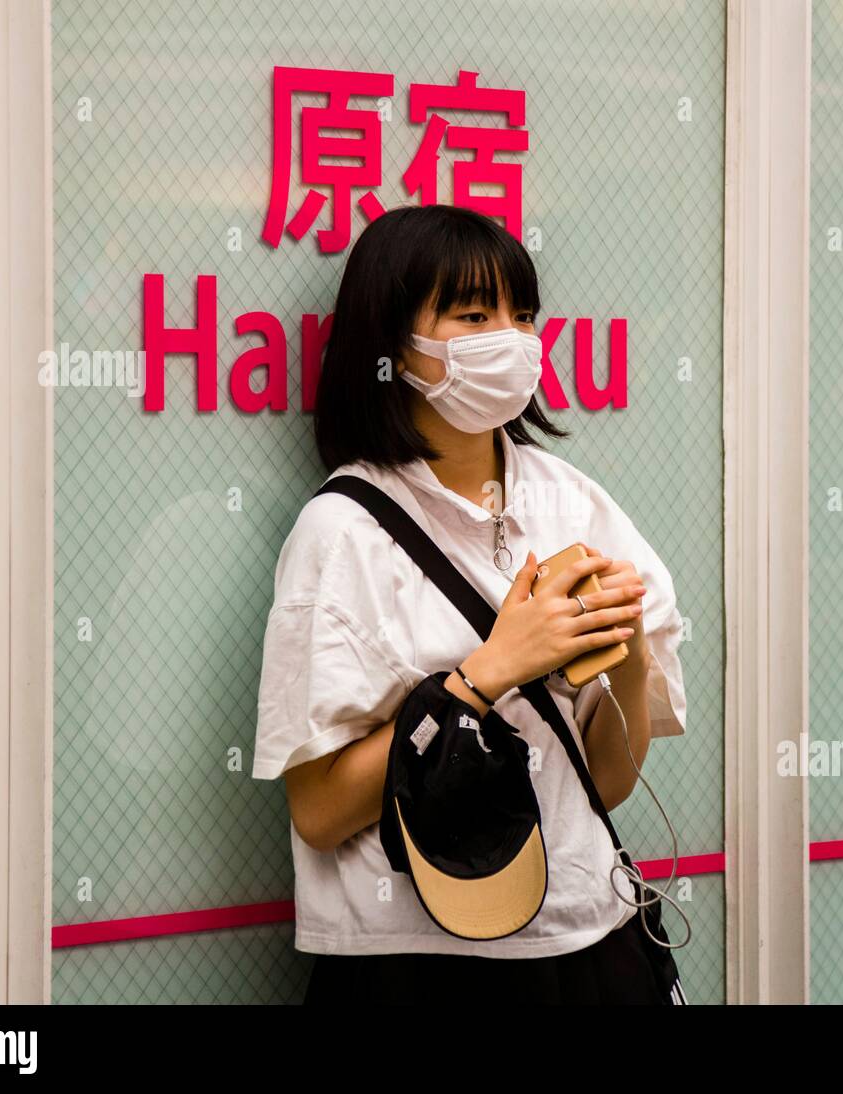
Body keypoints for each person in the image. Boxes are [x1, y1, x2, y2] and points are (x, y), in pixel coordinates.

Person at [251, 203, 688, 1004]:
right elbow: (317, 812)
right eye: (474, 314)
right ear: (391, 343)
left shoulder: (574, 504)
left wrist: (624, 651)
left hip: (593, 945)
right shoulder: (341, 532)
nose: (514, 340)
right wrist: (487, 674)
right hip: (416, 969)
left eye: (523, 315)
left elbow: (609, 782)